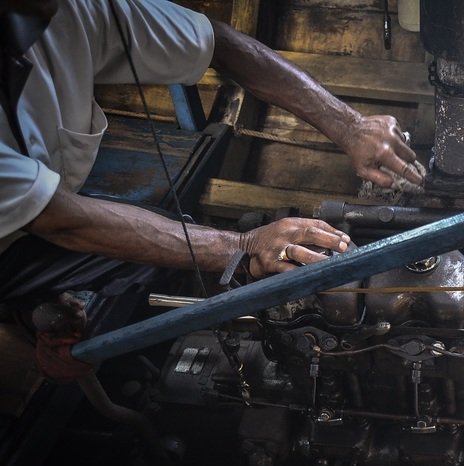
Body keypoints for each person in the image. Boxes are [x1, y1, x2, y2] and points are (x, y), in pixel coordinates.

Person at [0, 0, 424, 306]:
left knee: (173, 241)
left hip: (48, 199)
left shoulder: (69, 9)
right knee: (166, 258)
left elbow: (216, 43)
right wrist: (242, 245)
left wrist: (348, 124)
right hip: (19, 238)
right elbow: (61, 221)